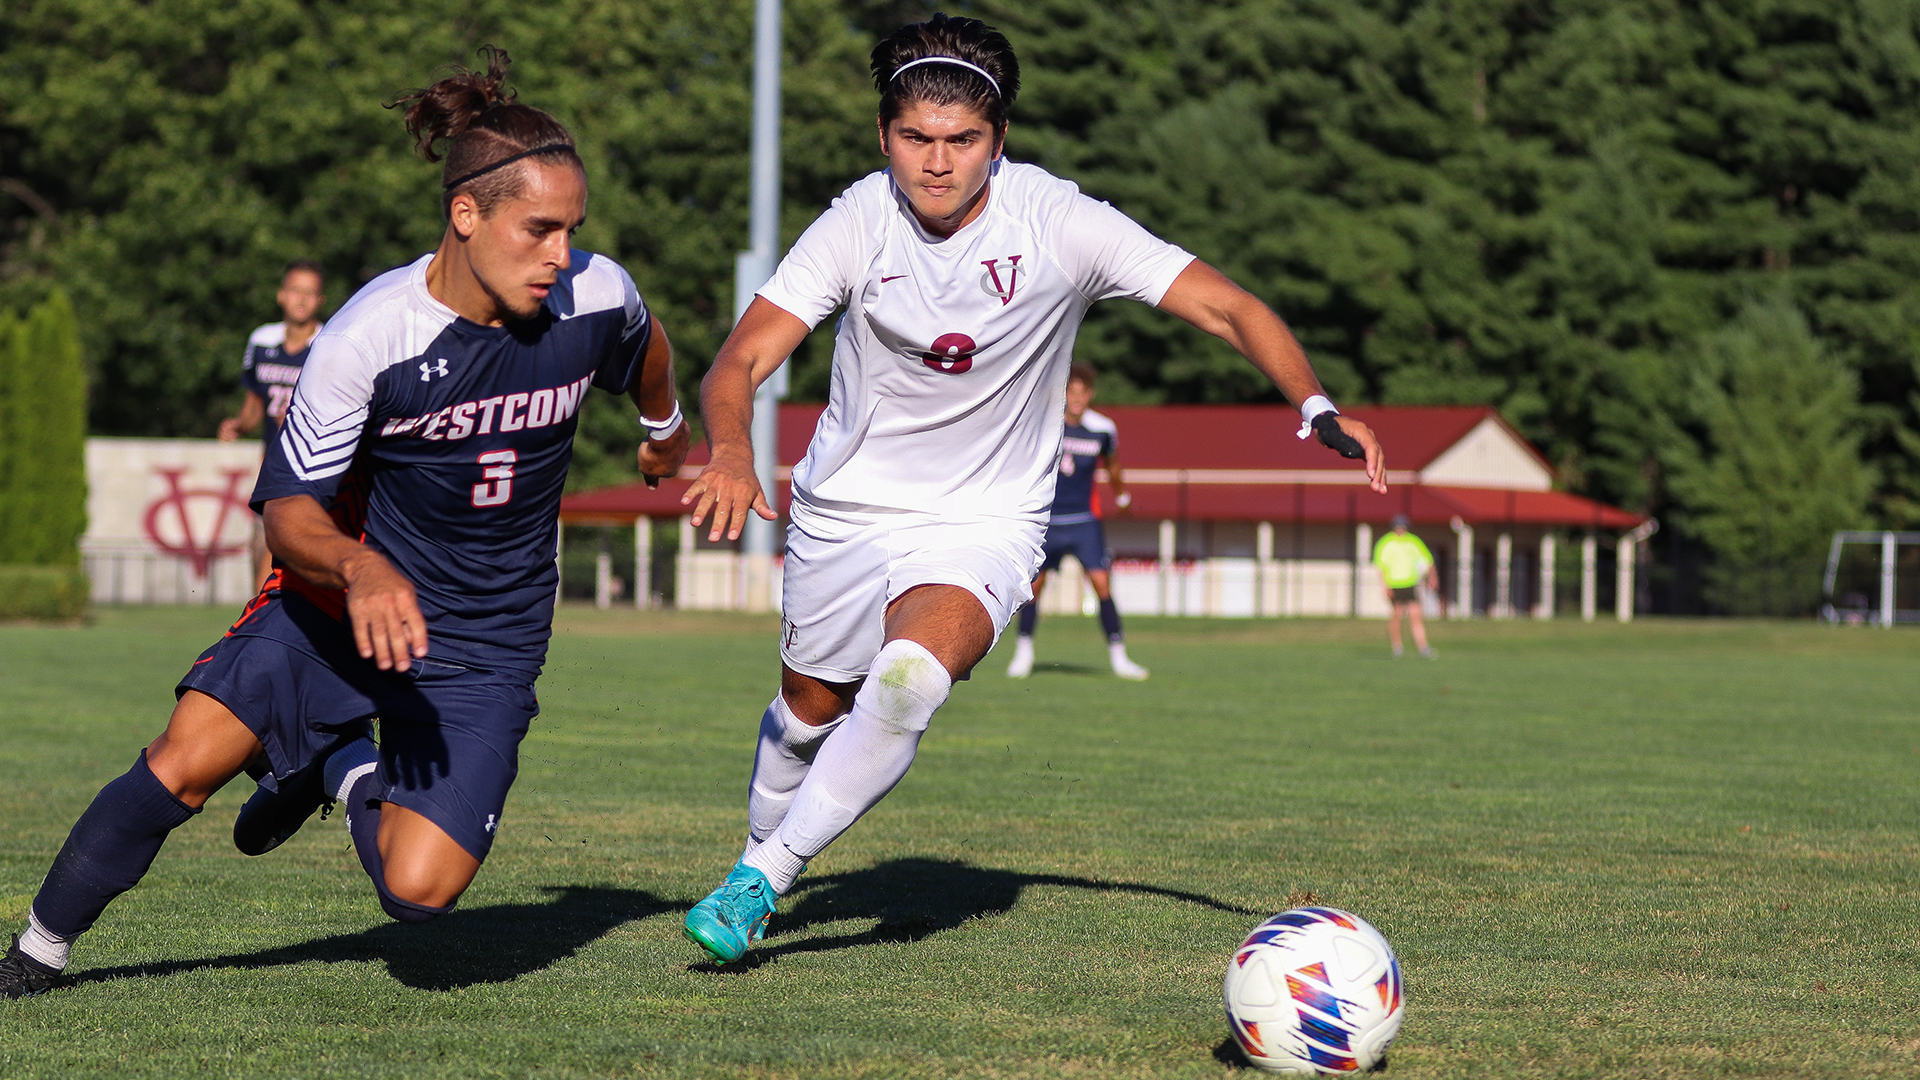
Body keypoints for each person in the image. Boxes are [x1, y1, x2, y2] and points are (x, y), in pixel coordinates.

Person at [676, 13, 1387, 965]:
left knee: (905, 681)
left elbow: (1227, 305)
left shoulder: (1061, 223)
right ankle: (761, 850)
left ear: (998, 142)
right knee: (806, 707)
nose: (937, 163)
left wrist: (1316, 406)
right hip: (845, 509)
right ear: (884, 138)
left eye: (962, 141)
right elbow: (742, 357)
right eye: (916, 140)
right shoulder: (857, 220)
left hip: (987, 518)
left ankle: (762, 878)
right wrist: (729, 449)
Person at [0, 48, 689, 999]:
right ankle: (35, 953)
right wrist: (360, 570)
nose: (561, 254)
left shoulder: (593, 293)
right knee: (182, 765)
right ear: (466, 214)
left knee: (419, 894)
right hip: (341, 607)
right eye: (539, 230)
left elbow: (644, 342)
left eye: (572, 230)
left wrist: (667, 431)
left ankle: (337, 766)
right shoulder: (369, 336)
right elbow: (288, 515)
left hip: (488, 638)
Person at [1005, 362, 1146, 680]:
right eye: (1072, 392)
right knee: (1034, 588)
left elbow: (1113, 464)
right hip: (1049, 521)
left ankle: (1120, 657)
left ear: (1090, 395)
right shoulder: (1047, 423)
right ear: (1064, 393)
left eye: (1083, 394)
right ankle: (1023, 653)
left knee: (1101, 585)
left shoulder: (1102, 428)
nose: (1077, 399)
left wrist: (1122, 496)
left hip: (1084, 521)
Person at [219, 260, 328, 590]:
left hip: (313, 469)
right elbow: (256, 401)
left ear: (320, 301)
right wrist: (239, 425)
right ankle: (259, 626)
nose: (301, 299)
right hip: (272, 467)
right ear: (281, 295)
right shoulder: (262, 341)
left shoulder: (328, 344)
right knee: (262, 552)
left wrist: (303, 420)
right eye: (295, 290)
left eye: (310, 293)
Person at [1373, 515, 1438, 658]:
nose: (1400, 529)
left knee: (1415, 615)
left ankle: (1423, 647)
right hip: (1394, 584)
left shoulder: (1413, 542)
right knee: (1397, 615)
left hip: (1410, 583)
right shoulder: (1386, 543)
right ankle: (1397, 647)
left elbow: (1427, 560)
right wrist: (1385, 586)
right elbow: (1380, 567)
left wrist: (1433, 577)